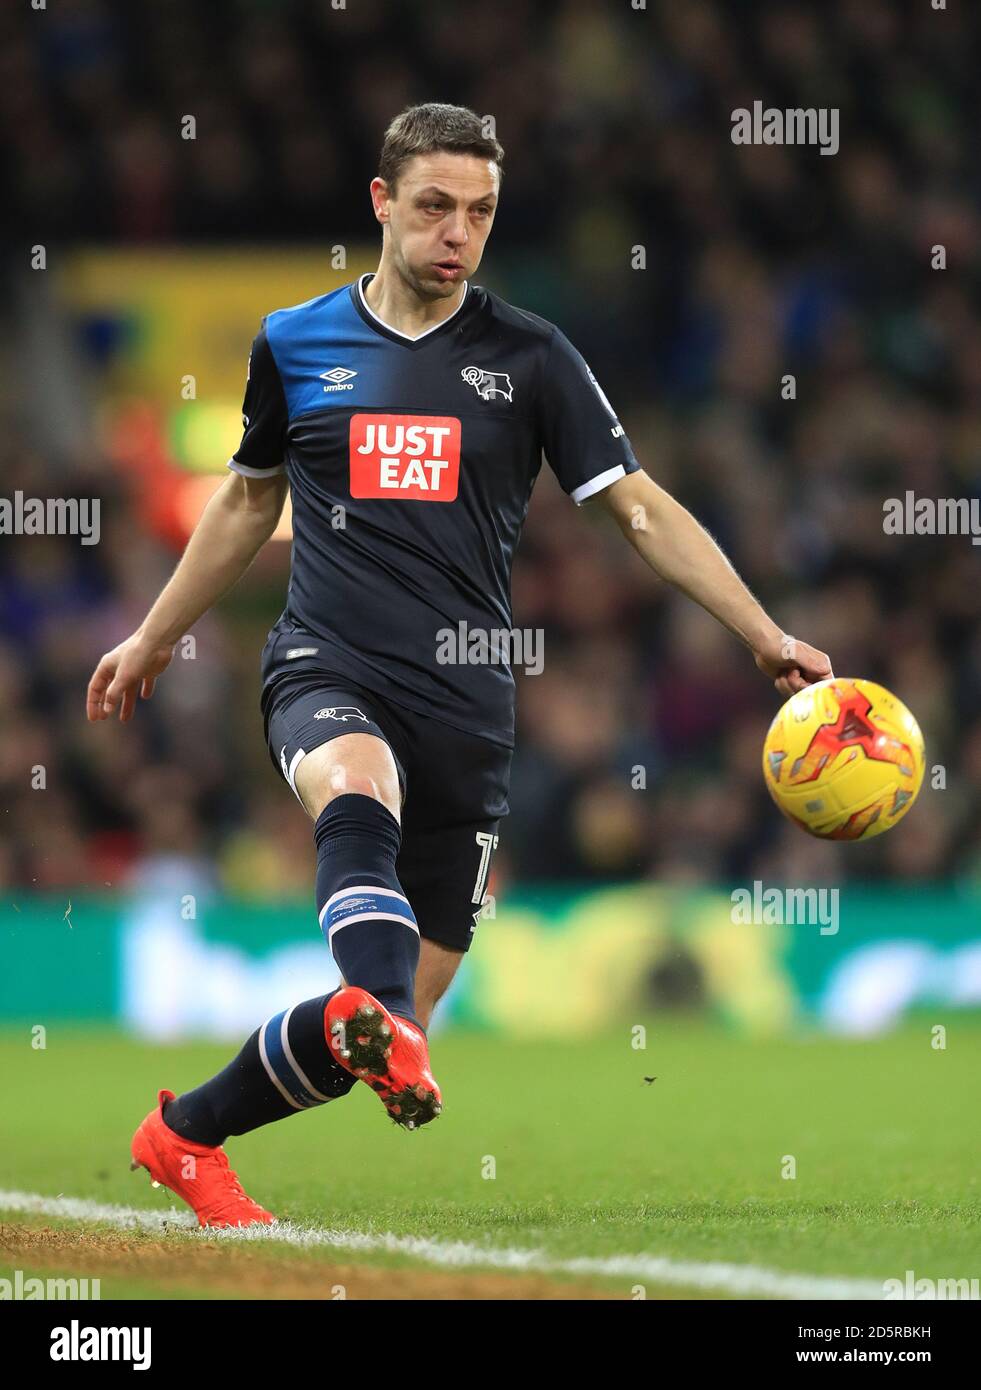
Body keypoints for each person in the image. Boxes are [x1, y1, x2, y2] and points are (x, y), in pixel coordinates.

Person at [86, 103, 832, 1228]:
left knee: (386, 1018)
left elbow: (635, 508)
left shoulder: (531, 357)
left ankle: (187, 1132)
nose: (457, 233)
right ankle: (370, 1017)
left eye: (479, 213)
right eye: (434, 206)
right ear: (382, 203)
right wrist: (152, 634)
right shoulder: (295, 343)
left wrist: (763, 631)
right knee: (356, 787)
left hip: (469, 706)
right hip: (326, 662)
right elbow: (247, 503)